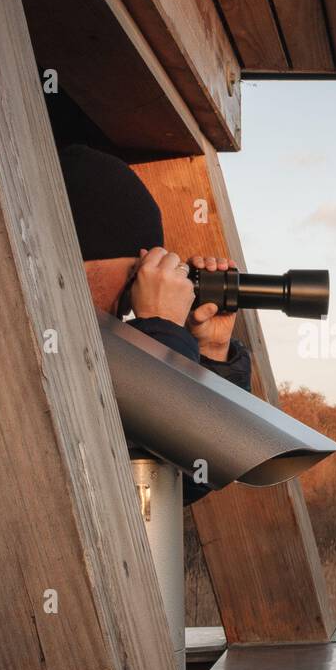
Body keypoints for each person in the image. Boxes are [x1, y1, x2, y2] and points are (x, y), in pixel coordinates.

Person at [58, 143, 250, 504]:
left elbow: (183, 480)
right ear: (77, 258)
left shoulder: (96, 347)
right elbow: (117, 484)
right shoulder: (32, 346)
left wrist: (211, 354)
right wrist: (162, 330)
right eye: (136, 272)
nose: (136, 293)